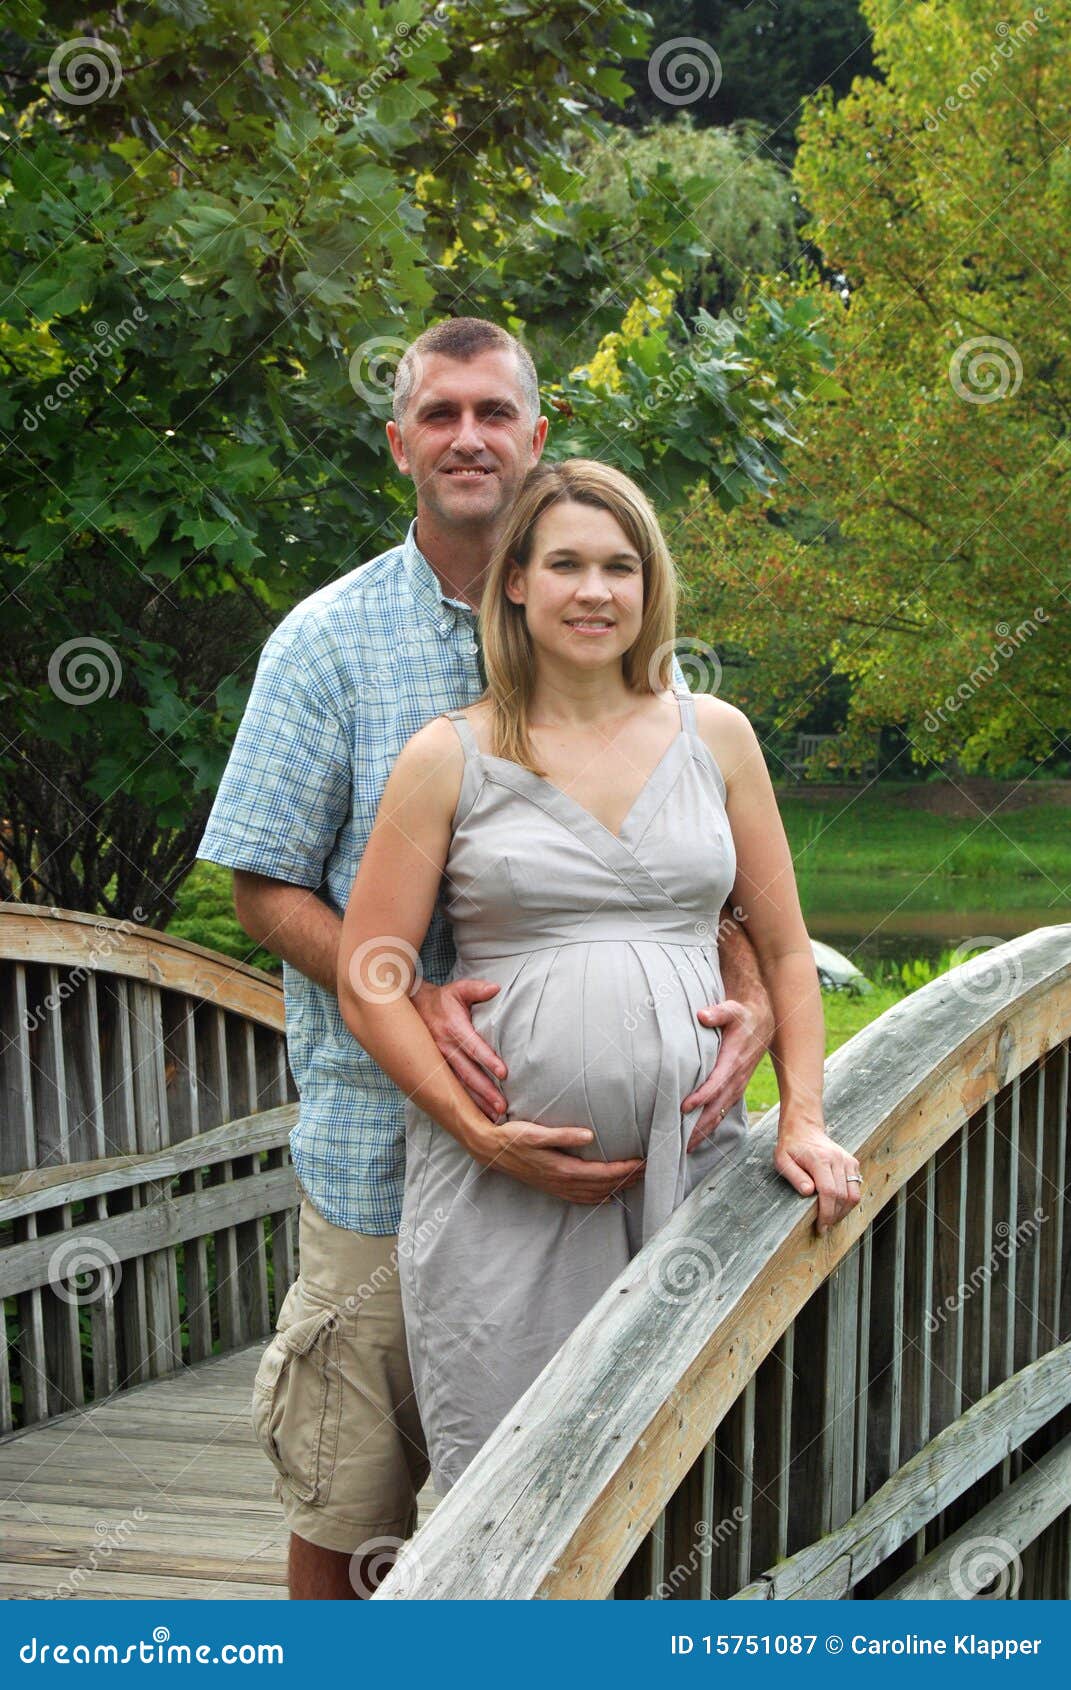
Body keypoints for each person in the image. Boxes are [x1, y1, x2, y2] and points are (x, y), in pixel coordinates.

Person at [197, 318, 774, 1599]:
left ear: (536, 435)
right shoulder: (327, 642)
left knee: (624, 1482)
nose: (469, 437)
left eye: (494, 413)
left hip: (639, 1171)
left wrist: (746, 990)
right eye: (441, 414)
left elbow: (690, 873)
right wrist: (399, 985)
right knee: (355, 1500)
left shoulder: (609, 624)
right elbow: (259, 884)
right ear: (399, 443)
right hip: (379, 1147)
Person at [336, 458, 863, 1494]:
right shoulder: (449, 753)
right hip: (504, 1189)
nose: (595, 591)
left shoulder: (717, 738)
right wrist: (477, 1130)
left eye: (620, 566)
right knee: (512, 1484)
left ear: (649, 584)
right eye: (566, 564)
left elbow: (785, 948)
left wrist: (802, 1117)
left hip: (696, 1173)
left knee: (693, 1476)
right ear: (516, 582)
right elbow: (369, 975)